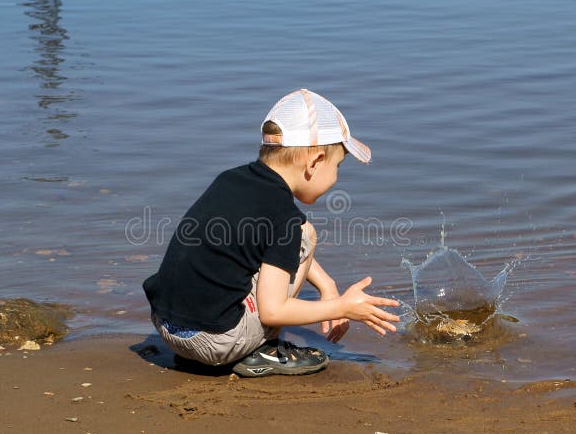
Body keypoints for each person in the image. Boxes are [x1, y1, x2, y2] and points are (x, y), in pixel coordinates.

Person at [143, 88, 400, 377]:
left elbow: (264, 247)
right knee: (306, 235)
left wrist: (326, 285)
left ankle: (216, 346)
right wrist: (342, 307)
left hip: (166, 326)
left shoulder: (230, 180)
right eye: (337, 166)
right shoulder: (287, 219)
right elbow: (273, 312)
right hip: (215, 343)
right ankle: (264, 349)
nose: (337, 177)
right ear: (314, 162)